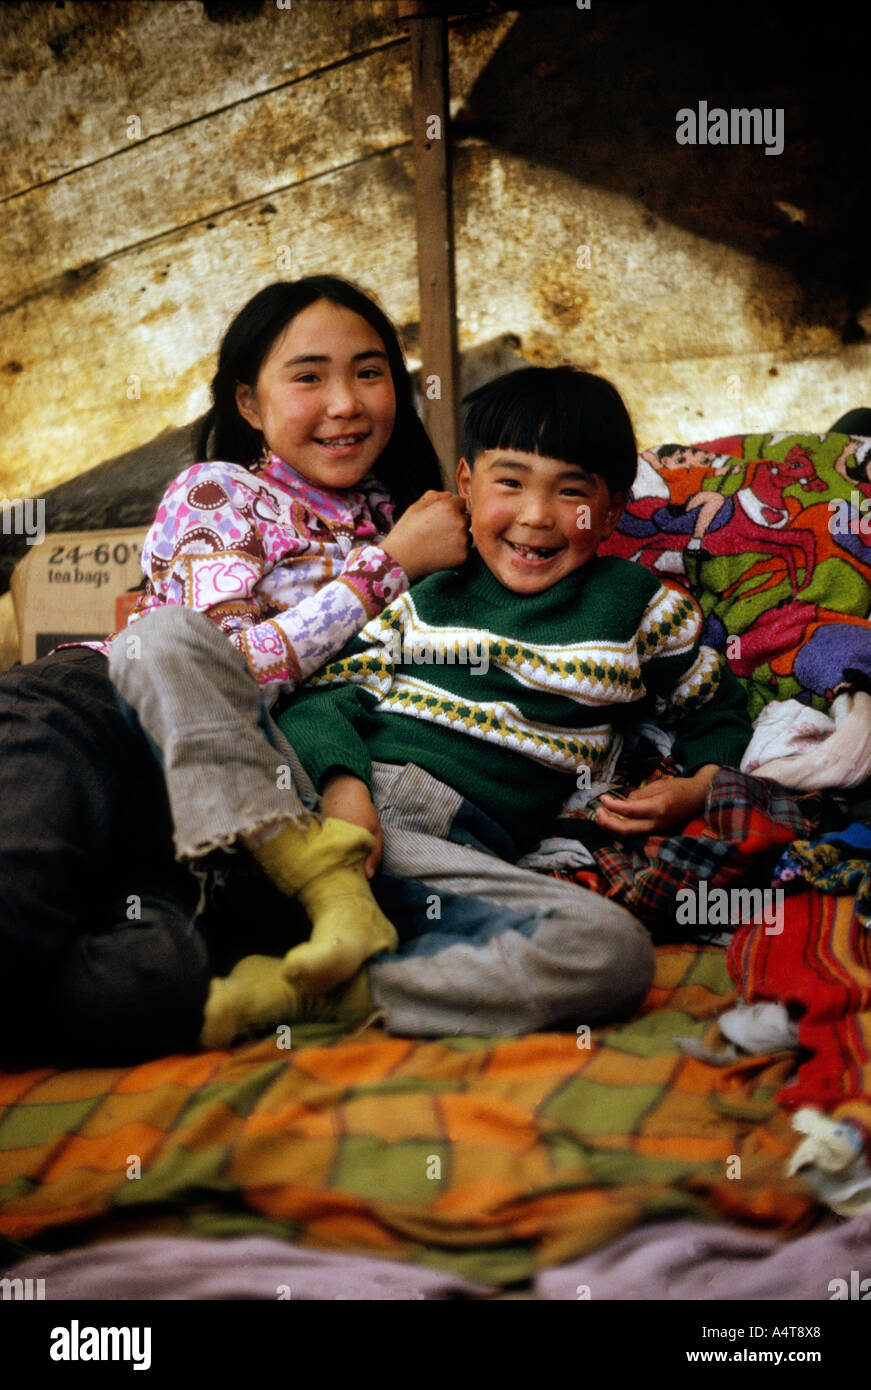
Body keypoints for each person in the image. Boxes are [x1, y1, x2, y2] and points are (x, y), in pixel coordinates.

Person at [190, 366, 753, 1048]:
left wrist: (698, 785)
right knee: (168, 643)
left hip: (426, 849)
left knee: (612, 953)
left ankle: (329, 993)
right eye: (509, 482)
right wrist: (344, 791)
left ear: (609, 511)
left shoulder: (637, 607)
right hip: (311, 806)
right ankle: (243, 893)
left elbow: (713, 705)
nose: (536, 515)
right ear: (465, 484)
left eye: (570, 491)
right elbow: (324, 700)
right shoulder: (425, 591)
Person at [0, 275, 466, 1067]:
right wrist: (385, 569)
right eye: (309, 375)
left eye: (369, 370)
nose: (346, 402)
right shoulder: (221, 493)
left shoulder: (411, 517)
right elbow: (220, 668)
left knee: (156, 994)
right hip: (94, 718)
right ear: (249, 404)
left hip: (214, 820)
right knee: (13, 922)